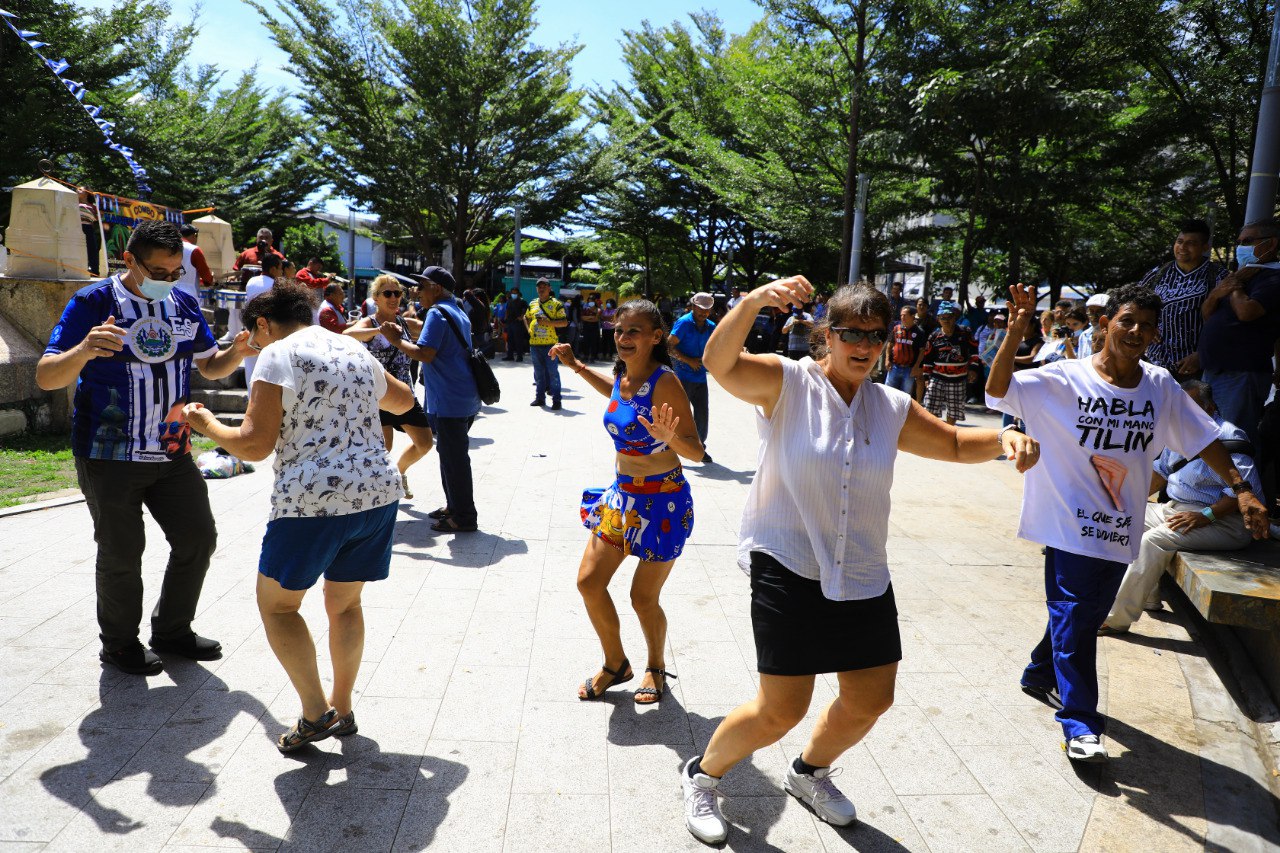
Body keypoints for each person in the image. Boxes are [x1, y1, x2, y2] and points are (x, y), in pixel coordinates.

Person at [679, 277, 1038, 845]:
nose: (864, 344)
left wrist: (1006, 439)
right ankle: (703, 776)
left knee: (872, 698)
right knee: (780, 710)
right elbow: (719, 364)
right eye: (850, 332)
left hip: (862, 569)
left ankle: (808, 772)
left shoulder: (890, 405)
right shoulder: (787, 382)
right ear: (827, 334)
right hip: (788, 561)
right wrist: (751, 303)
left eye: (876, 334)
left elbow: (950, 443)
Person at [987, 282, 1269, 763]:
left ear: (1157, 335)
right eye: (1126, 321)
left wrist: (1242, 490)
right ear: (1104, 325)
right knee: (1076, 613)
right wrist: (1014, 335)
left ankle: (1039, 671)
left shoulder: (1160, 385)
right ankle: (1080, 723)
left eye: (1146, 326)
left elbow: (1204, 439)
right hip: (1067, 522)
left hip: (1121, 525)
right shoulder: (1065, 377)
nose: (1136, 331)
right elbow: (998, 392)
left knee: (1087, 613)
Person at [183, 283, 415, 752]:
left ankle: (315, 713)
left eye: (252, 335)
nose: (253, 344)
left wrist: (204, 422)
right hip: (376, 493)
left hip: (312, 502)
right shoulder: (351, 346)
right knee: (346, 605)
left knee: (278, 606)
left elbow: (253, 444)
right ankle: (342, 708)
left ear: (263, 324)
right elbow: (404, 401)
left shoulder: (276, 355)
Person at [35, 219, 253, 675]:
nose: (169, 280)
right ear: (129, 260)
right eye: (159, 271)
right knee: (121, 550)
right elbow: (47, 374)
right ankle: (118, 644)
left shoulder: (183, 304)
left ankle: (172, 630)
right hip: (108, 452)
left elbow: (209, 366)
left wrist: (238, 351)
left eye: (175, 272)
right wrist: (84, 350)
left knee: (198, 538)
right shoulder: (92, 302)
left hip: (172, 451)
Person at [548, 301, 704, 705]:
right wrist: (578, 367)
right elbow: (617, 391)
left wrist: (668, 437)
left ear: (656, 337)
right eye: (619, 330)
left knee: (642, 597)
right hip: (622, 499)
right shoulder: (625, 374)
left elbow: (698, 452)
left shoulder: (665, 382)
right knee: (589, 582)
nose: (623, 338)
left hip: (662, 502)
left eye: (634, 331)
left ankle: (654, 667)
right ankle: (616, 664)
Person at [1100, 380, 1264, 634]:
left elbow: (1242, 493)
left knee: (1153, 540)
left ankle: (1116, 617)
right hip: (1178, 508)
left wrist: (1205, 517)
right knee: (1124, 518)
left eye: (1190, 407)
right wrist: (1129, 500)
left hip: (1224, 520)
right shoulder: (1177, 431)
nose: (1182, 413)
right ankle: (1149, 598)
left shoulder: (1229, 434)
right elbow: (1162, 471)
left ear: (1209, 408)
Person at [381, 266, 483, 533]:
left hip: (451, 400)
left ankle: (464, 517)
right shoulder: (456, 310)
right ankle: (454, 506)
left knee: (455, 459)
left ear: (436, 288)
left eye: (422, 286)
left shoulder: (438, 313)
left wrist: (395, 340)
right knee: (450, 456)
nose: (417, 292)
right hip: (463, 397)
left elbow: (425, 353)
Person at [344, 275, 434, 499]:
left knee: (424, 443)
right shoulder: (369, 323)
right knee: (383, 448)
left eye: (397, 293)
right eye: (387, 293)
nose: (393, 298)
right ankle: (372, 494)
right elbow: (347, 335)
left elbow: (430, 329)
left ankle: (399, 472)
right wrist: (379, 332)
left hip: (405, 395)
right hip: (379, 397)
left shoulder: (405, 323)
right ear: (376, 298)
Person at [1198, 218, 1280, 446]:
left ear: (1271, 244)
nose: (1241, 246)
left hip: (1241, 371)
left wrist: (1235, 285)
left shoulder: (1273, 277)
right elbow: (1207, 314)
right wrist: (1218, 292)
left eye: (1248, 241)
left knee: (1233, 439)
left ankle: (1243, 482)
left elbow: (1246, 312)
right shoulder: (1239, 277)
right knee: (1210, 436)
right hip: (1214, 369)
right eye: (1239, 241)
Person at [1141, 219, 1225, 376]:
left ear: (1205, 247)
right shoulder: (1158, 273)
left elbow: (1226, 323)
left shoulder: (1219, 276)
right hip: (1155, 365)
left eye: (1191, 243)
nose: (1183, 247)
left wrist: (1202, 355)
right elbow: (1132, 302)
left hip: (1197, 367)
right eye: (1180, 241)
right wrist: (1146, 325)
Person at [668, 293, 717, 461]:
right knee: (680, 412)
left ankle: (700, 447)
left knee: (702, 413)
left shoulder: (711, 326)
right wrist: (688, 360)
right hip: (682, 374)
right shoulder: (683, 323)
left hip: (700, 377)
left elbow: (720, 345)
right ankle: (672, 445)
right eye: (701, 309)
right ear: (694, 307)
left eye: (707, 310)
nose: (704, 313)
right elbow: (669, 346)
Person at [919, 301, 980, 425]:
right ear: (938, 319)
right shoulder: (934, 336)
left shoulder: (965, 332)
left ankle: (948, 433)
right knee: (930, 408)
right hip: (937, 378)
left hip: (958, 378)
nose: (946, 320)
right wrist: (926, 378)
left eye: (949, 317)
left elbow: (974, 351)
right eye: (943, 318)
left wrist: (973, 369)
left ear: (954, 317)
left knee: (954, 411)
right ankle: (933, 435)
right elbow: (928, 358)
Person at [525, 278, 568, 409]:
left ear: (549, 288)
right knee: (538, 373)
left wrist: (547, 323)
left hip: (551, 345)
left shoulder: (556, 304)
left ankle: (556, 401)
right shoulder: (532, 303)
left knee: (552, 373)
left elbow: (564, 322)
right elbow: (525, 317)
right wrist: (528, 329)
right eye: (539, 286)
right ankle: (540, 398)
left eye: (544, 286)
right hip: (534, 344)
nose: (541, 289)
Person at [242, 254, 284, 384]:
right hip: (268, 332)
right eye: (280, 268)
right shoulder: (275, 285)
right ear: (272, 269)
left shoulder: (251, 281)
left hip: (251, 330)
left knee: (251, 369)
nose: (281, 272)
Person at [884, 305, 926, 396]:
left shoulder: (919, 332)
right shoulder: (896, 329)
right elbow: (889, 344)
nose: (902, 317)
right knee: (888, 393)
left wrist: (916, 366)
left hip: (909, 369)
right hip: (894, 367)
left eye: (905, 315)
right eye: (901, 315)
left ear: (912, 316)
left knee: (905, 395)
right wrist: (887, 359)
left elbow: (922, 351)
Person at [174, 223, 213, 302]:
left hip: (170, 292)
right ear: (194, 235)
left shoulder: (169, 247)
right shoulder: (194, 250)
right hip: (189, 295)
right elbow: (207, 278)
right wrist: (210, 279)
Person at [1077, 293, 1108, 358]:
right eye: (1091, 311)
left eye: (1099, 312)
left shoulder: (1113, 335)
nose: (1094, 316)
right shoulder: (1084, 335)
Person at [504, 287, 530, 362]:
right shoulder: (509, 301)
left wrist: (521, 317)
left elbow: (526, 310)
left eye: (515, 293)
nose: (513, 294)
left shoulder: (522, 301)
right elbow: (507, 310)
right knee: (510, 340)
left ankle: (519, 357)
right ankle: (510, 356)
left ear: (518, 294)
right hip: (510, 322)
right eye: (512, 293)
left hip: (518, 323)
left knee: (518, 340)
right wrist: (506, 318)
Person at [579, 292, 602, 362]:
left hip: (594, 328)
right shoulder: (585, 309)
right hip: (586, 327)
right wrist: (591, 317)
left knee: (593, 342)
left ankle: (592, 357)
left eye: (592, 300)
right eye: (589, 300)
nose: (590, 302)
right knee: (586, 342)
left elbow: (596, 319)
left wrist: (588, 318)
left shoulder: (598, 309)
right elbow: (582, 318)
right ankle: (585, 356)